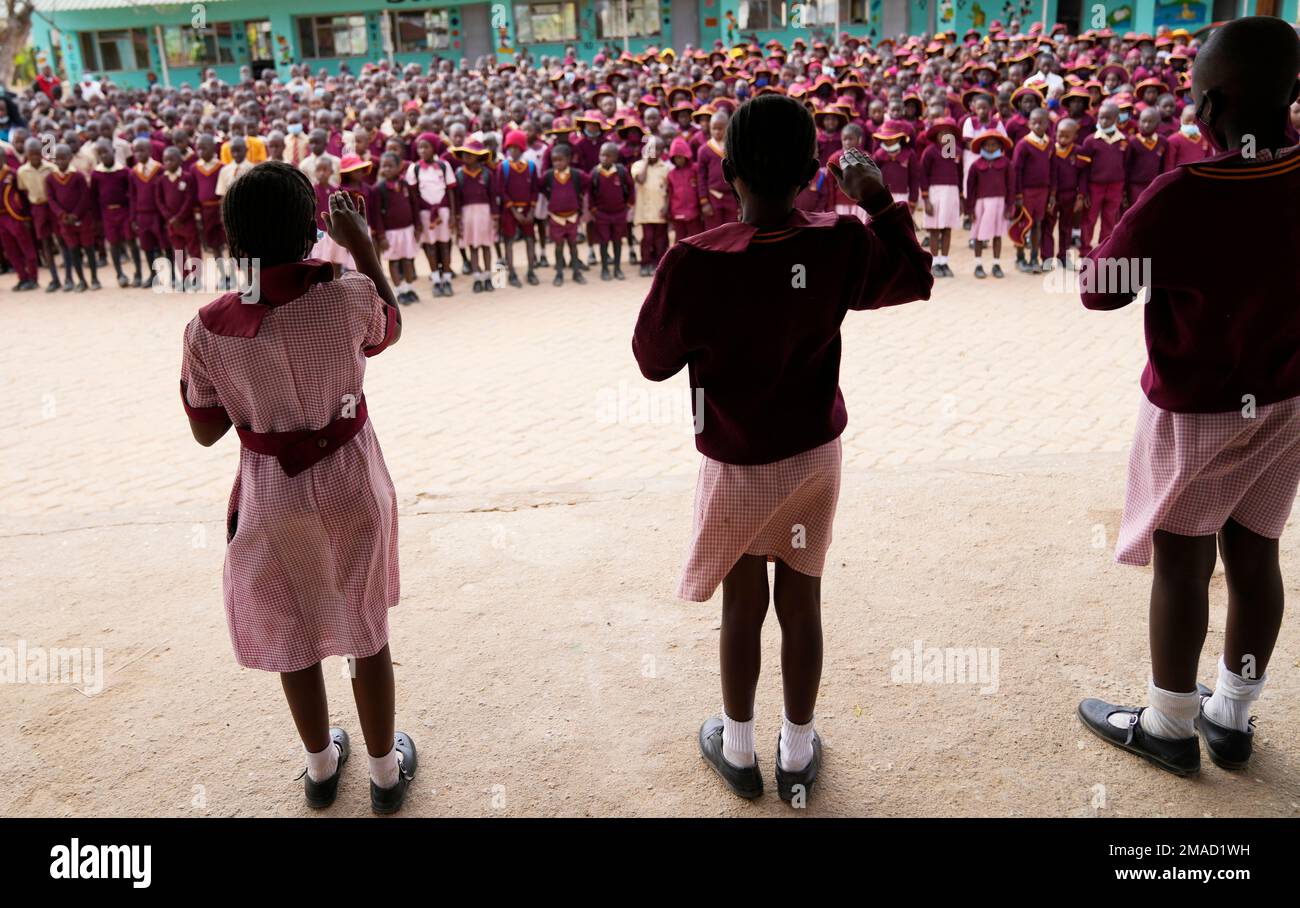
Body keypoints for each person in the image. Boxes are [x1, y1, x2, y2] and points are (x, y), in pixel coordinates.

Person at [631, 95, 932, 804]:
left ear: (726, 170)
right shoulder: (841, 242)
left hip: (736, 462)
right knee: (802, 599)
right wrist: (878, 201)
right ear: (811, 172)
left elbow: (651, 359)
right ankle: (797, 751)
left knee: (742, 603)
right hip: (811, 459)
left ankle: (737, 750)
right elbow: (915, 278)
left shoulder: (694, 261)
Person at [1076, 17, 1300, 777]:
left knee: (1181, 563)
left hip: (1197, 407)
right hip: (1286, 400)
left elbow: (1098, 291)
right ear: (1292, 94)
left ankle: (1170, 726)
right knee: (1255, 553)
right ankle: (1230, 717)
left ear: (1204, 108)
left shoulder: (1184, 193)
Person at [179, 162, 416, 812]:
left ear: (232, 244)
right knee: (367, 633)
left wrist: (247, 389)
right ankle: (386, 775)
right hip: (352, 488)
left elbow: (204, 432)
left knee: (292, 629)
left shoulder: (206, 330)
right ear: (315, 230)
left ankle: (319, 769)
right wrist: (363, 244)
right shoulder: (345, 294)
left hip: (271, 500)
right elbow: (391, 327)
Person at [45, 143, 98, 292]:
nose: (61, 162)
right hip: (65, 221)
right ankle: (81, 280)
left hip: (82, 218)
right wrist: (62, 214)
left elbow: (84, 196)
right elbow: (51, 199)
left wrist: (75, 214)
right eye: (58, 159)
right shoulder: (50, 178)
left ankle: (94, 278)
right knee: (73, 250)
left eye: (64, 158)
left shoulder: (78, 176)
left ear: (70, 158)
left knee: (89, 248)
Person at [373, 151, 421, 304]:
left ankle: (409, 287)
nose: (386, 169)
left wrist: (418, 226)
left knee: (407, 260)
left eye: (390, 166)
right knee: (393, 261)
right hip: (390, 233)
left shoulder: (405, 184)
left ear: (399, 167)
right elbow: (377, 215)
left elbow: (414, 205)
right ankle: (399, 290)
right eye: (384, 166)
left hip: (407, 230)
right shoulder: (379, 189)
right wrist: (381, 236)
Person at [965, 132, 1013, 278]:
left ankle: (996, 264)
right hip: (981, 205)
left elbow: (1011, 186)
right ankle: (978, 264)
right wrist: (970, 208)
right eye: (987, 145)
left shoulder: (1006, 163)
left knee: (997, 235)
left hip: (999, 203)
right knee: (979, 235)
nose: (990, 148)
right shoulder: (975, 165)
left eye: (993, 145)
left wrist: (1009, 206)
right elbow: (970, 188)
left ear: (1000, 146)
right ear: (981, 147)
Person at [919, 117, 962, 277]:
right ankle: (935, 262)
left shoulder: (957, 152)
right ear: (936, 135)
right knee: (935, 230)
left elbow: (960, 173)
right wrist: (926, 200)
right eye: (941, 132)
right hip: (935, 193)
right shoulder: (929, 152)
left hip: (952, 193)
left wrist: (961, 198)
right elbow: (923, 176)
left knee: (947, 228)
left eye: (948, 133)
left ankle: (944, 261)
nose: (945, 135)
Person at [540, 142, 586, 286]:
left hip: (572, 216)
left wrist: (579, 196)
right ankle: (559, 273)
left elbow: (587, 183)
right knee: (558, 247)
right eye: (554, 160)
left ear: (568, 159)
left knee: (573, 245)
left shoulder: (576, 174)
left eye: (560, 160)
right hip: (556, 218)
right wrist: (551, 197)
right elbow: (541, 187)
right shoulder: (548, 175)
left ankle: (576, 272)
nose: (557, 163)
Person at [588, 141, 634, 280]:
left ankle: (617, 268)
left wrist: (628, 206)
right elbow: (590, 194)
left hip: (619, 213)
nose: (604, 158)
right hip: (602, 214)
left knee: (617, 241)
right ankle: (604, 269)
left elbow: (631, 188)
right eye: (602, 155)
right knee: (603, 241)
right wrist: (593, 210)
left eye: (608, 156)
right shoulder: (595, 173)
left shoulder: (621, 171)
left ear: (615, 157)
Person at [631, 135, 670, 275]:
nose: (655, 153)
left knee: (660, 240)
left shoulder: (665, 168)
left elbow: (669, 191)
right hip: (645, 211)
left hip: (660, 210)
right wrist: (646, 161)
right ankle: (645, 263)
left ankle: (658, 264)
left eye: (658, 149)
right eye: (651, 149)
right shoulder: (638, 166)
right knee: (647, 239)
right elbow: (640, 180)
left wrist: (666, 206)